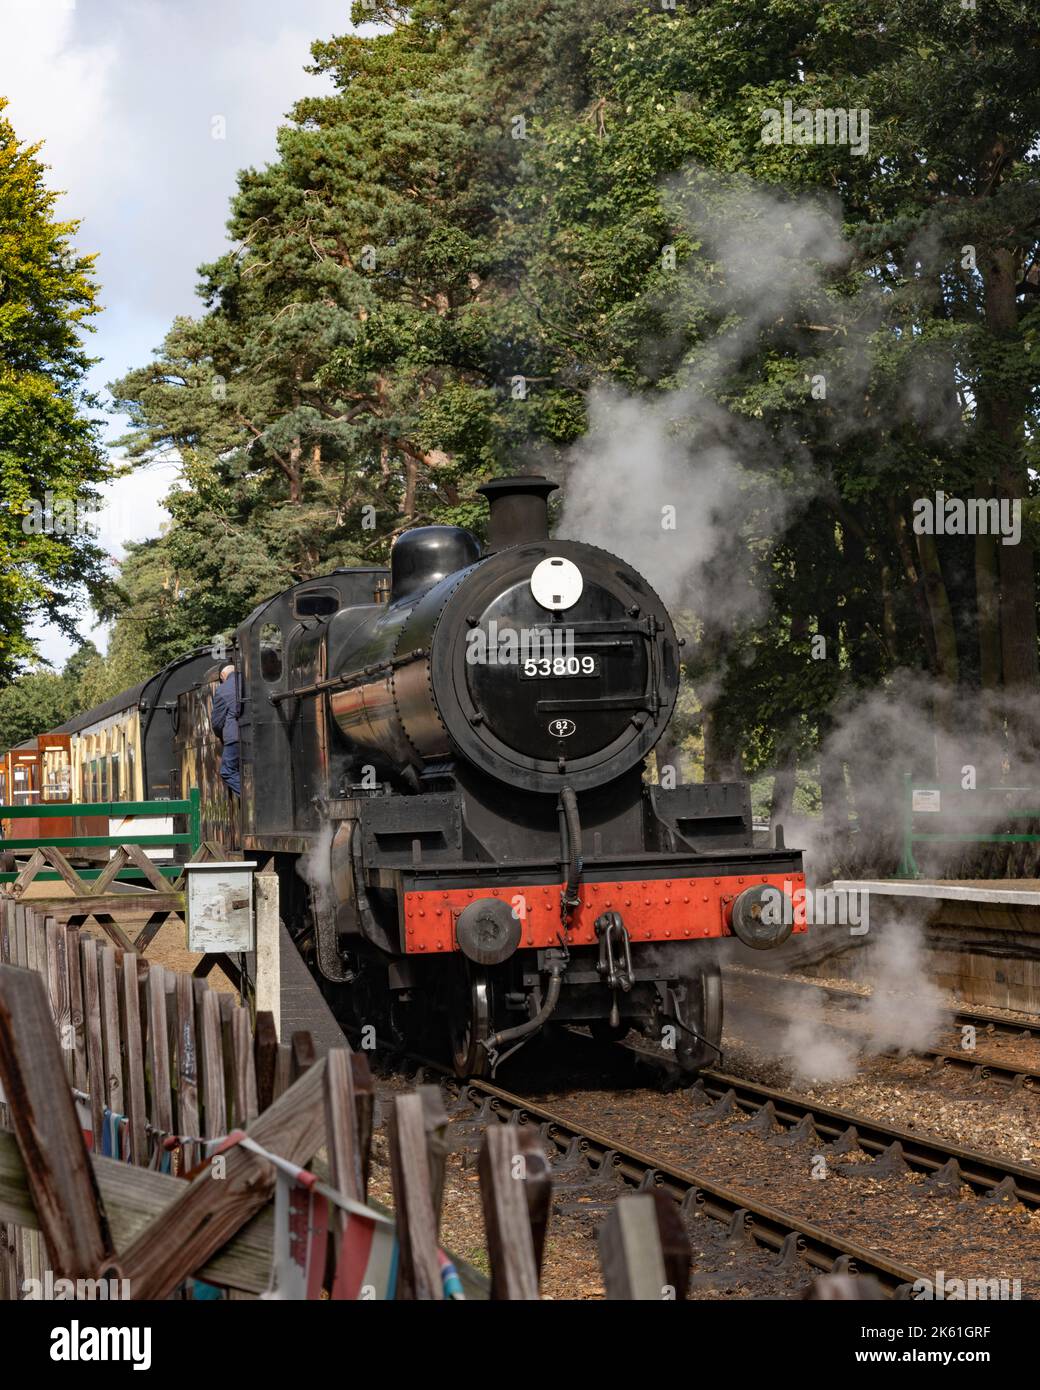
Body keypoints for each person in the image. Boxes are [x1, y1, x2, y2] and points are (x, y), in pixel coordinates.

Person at [211, 663, 241, 796]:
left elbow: (217, 722)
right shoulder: (249, 683)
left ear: (222, 676)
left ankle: (252, 797)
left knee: (227, 771)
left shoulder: (222, 689)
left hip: (234, 738)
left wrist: (221, 736)